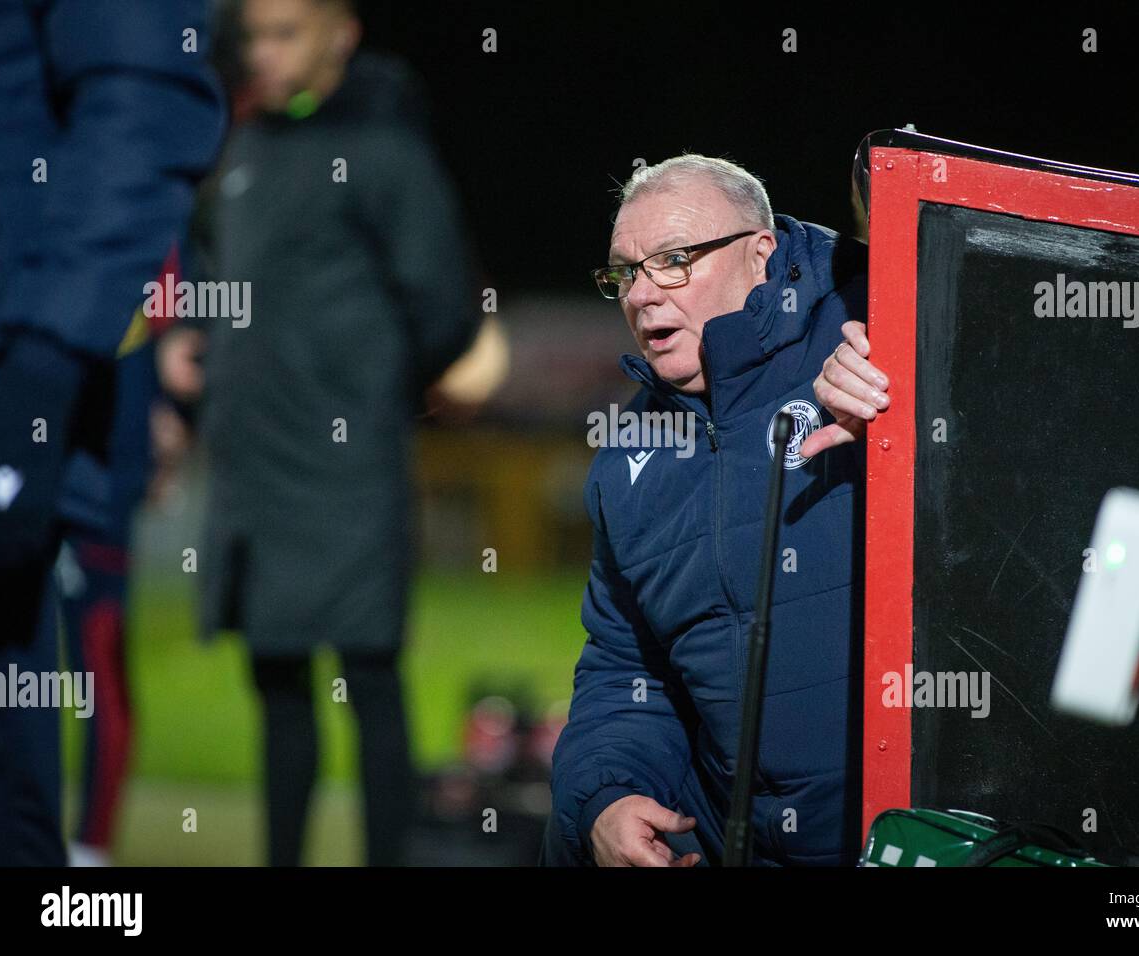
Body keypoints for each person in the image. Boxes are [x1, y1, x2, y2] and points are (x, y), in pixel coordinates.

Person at [158, 0, 479, 866]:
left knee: (370, 674)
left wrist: (369, 390)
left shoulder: (387, 148)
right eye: (252, 35)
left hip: (348, 462)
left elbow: (446, 306)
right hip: (253, 461)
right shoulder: (246, 145)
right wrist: (194, 342)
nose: (261, 52)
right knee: (276, 680)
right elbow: (219, 280)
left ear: (342, 32)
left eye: (284, 32)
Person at [544, 154, 891, 866]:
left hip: (900, 820)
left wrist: (906, 413)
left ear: (759, 254)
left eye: (673, 260)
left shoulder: (875, 327)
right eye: (625, 273)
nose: (641, 295)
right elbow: (623, 666)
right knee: (571, 842)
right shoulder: (627, 461)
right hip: (736, 830)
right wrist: (608, 796)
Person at [0, 0, 225, 866]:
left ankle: (92, 855)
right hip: (71, 406)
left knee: (91, 649)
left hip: (74, 425)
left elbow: (165, 297)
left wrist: (157, 406)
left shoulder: (125, 193)